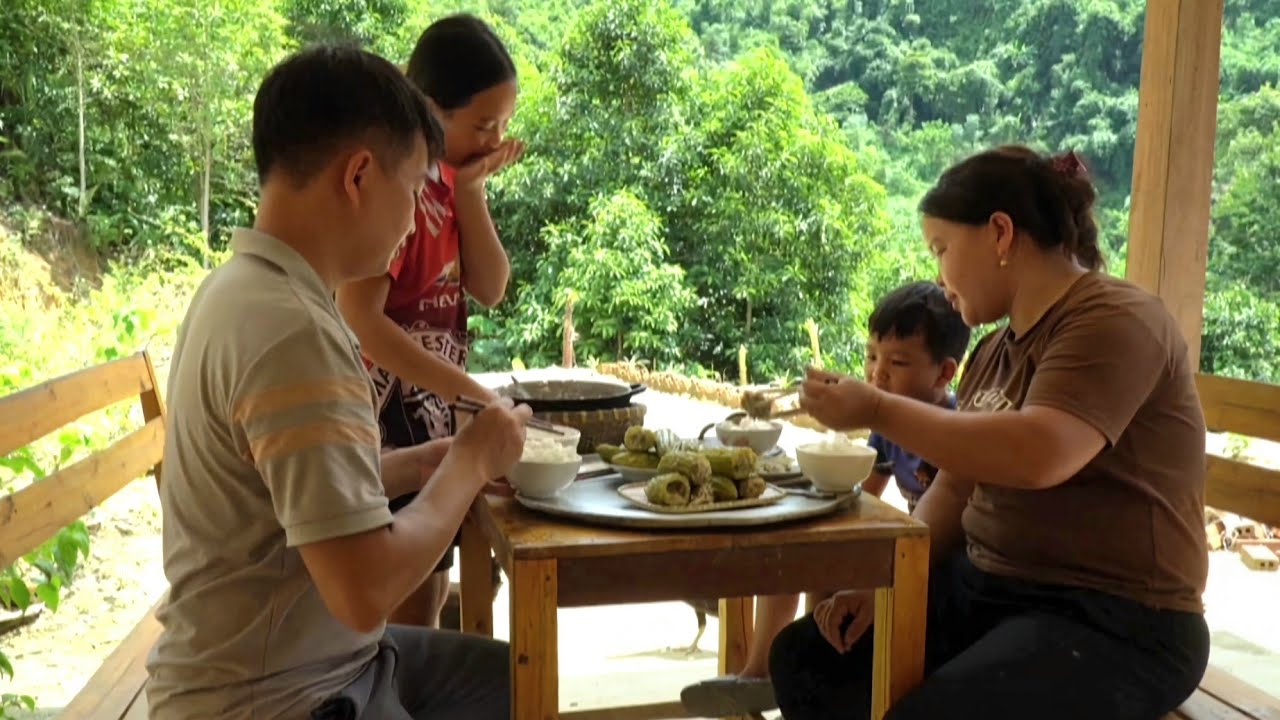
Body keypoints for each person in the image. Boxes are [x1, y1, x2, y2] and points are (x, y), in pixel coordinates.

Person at [145, 46, 523, 720]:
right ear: (358, 176)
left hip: (320, 661)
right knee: (530, 692)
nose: (414, 219)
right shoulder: (293, 332)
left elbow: (289, 489)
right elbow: (366, 591)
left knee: (528, 679)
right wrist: (469, 461)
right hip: (279, 697)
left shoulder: (243, 289)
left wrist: (425, 464)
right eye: (414, 192)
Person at [770, 145, 1210, 720]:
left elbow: (1041, 453)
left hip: (1115, 617)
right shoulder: (992, 352)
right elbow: (954, 488)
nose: (939, 274)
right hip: (989, 587)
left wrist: (876, 407)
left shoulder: (1115, 319)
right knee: (807, 659)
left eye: (942, 248)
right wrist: (893, 584)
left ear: (1000, 233)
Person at [680, 281, 970, 717]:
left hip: (939, 566)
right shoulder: (888, 426)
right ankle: (760, 673)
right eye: (872, 357)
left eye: (897, 362)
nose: (877, 373)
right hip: (908, 547)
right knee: (809, 553)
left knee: (829, 565)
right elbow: (863, 498)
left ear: (944, 373)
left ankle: (810, 670)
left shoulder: (954, 427)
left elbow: (952, 525)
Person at [336, 13, 522, 629]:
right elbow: (360, 318)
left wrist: (471, 192)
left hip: (431, 419)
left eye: (504, 126)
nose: (495, 142)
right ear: (429, 109)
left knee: (432, 591)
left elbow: (491, 287)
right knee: (407, 606)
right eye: (482, 126)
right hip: (384, 423)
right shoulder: (401, 193)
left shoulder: (447, 187)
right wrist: (472, 392)